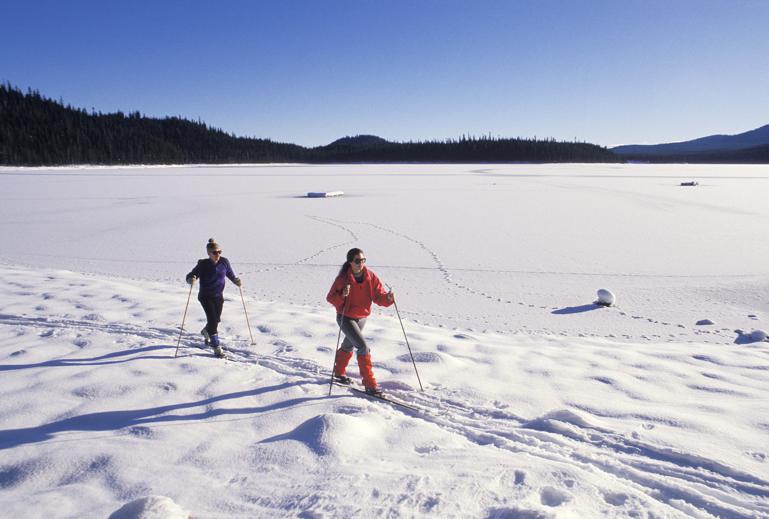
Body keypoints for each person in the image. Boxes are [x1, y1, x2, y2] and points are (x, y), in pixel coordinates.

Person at [326, 248, 394, 396]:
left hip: (362, 317)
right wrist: (343, 295)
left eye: (363, 260)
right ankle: (370, 385)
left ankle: (338, 372)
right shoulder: (343, 279)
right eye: (357, 261)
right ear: (350, 262)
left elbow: (378, 296)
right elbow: (331, 298)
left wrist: (388, 299)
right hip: (346, 317)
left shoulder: (370, 276)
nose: (360, 263)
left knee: (349, 344)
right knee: (363, 347)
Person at [186, 238, 241, 358]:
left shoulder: (224, 262)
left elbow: (230, 274)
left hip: (218, 296)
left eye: (219, 252)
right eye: (215, 252)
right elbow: (191, 275)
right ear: (208, 253)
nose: (218, 255)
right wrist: (191, 278)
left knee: (216, 320)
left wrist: (236, 281)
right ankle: (216, 347)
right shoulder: (203, 264)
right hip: (205, 297)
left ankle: (206, 331)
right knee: (212, 321)